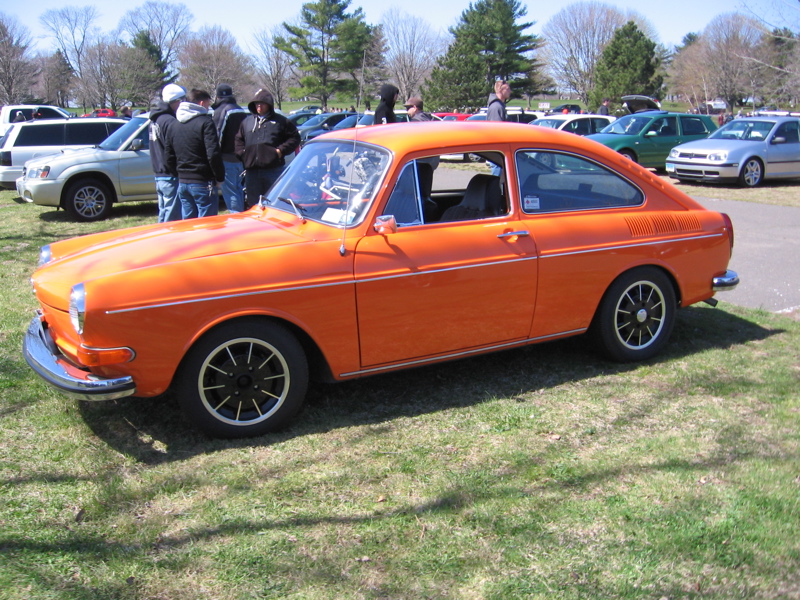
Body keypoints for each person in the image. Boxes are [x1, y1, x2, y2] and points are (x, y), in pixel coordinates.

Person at [234, 89, 301, 209]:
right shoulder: (247, 122)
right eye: (256, 103)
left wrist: (280, 151)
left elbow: (295, 138)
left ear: (269, 105)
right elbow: (238, 140)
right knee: (254, 205)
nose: (259, 106)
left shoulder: (281, 121)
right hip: (252, 171)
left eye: (262, 103)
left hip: (273, 170)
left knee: (275, 204)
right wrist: (243, 154)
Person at [165, 88, 225, 219]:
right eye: (208, 104)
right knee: (207, 224)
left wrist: (178, 173)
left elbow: (169, 155)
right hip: (203, 181)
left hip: (183, 181)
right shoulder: (205, 122)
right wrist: (219, 177)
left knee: (189, 224)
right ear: (202, 103)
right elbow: (213, 153)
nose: (209, 108)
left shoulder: (173, 125)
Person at [149, 84, 185, 222]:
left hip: (159, 173)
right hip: (170, 174)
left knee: (164, 212)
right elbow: (174, 148)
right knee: (172, 215)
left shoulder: (154, 119)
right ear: (176, 101)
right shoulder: (169, 121)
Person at [211, 83, 248, 213]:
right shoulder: (240, 110)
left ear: (217, 96)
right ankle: (241, 216)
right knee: (238, 189)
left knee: (231, 192)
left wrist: (214, 159)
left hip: (226, 158)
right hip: (241, 157)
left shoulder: (221, 111)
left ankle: (236, 217)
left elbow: (217, 137)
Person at [486, 79, 511, 176]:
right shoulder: (496, 107)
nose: (510, 91)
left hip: (500, 149)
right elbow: (496, 131)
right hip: (497, 149)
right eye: (508, 89)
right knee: (497, 177)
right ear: (501, 90)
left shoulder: (500, 106)